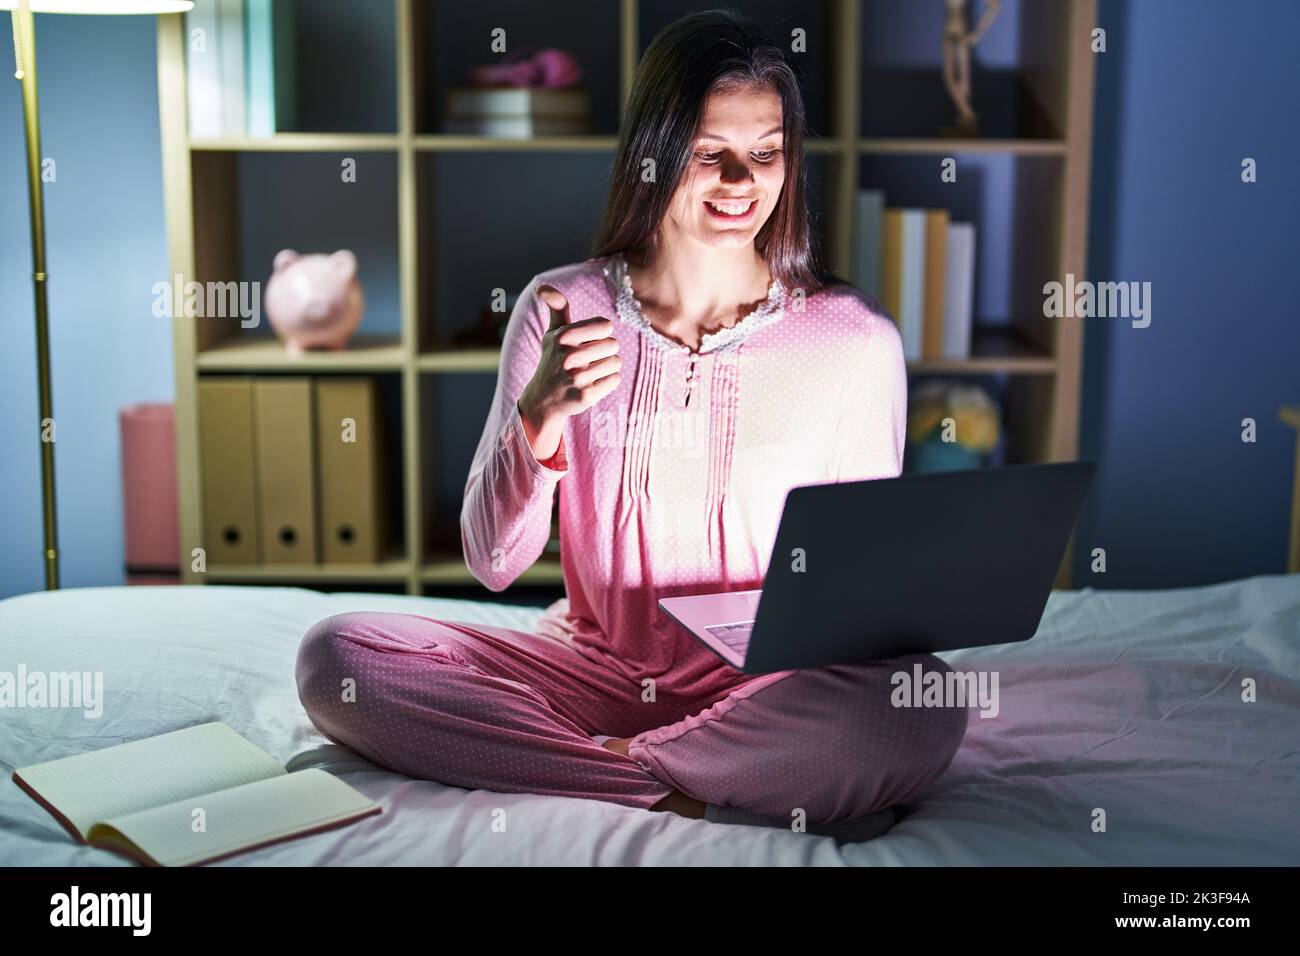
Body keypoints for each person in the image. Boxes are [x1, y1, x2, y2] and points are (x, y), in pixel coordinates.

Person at [296, 9, 967, 842]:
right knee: (339, 658)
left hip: (767, 687)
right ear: (652, 151)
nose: (739, 181)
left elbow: (862, 593)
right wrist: (538, 422)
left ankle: (611, 763)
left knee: (920, 703)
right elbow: (495, 564)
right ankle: (677, 783)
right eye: (707, 152)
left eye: (765, 154)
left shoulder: (854, 340)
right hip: (590, 670)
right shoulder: (560, 306)